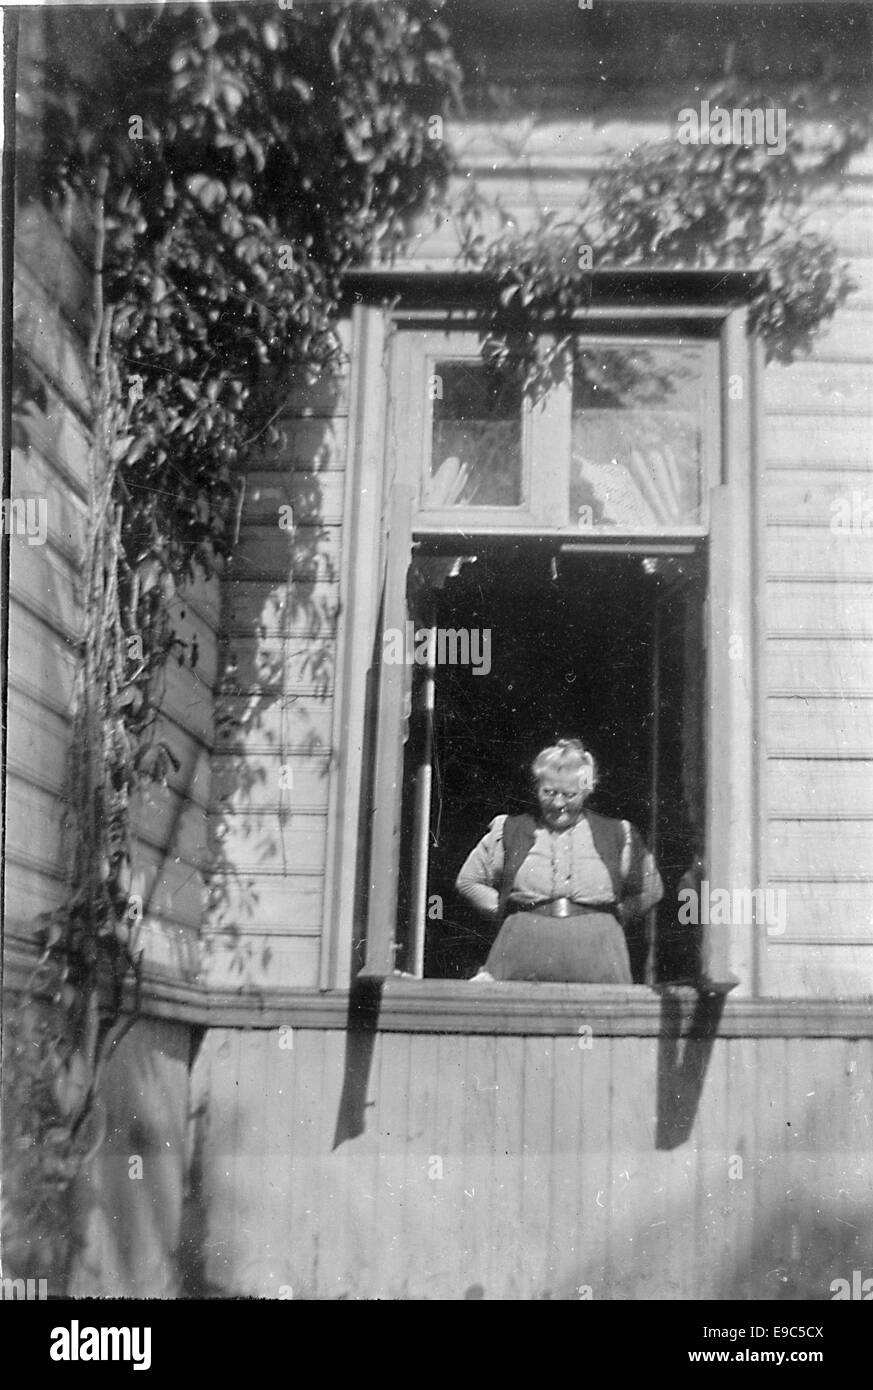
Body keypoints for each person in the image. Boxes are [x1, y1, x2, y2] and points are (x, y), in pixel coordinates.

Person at [455, 738, 663, 983]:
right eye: (549, 792)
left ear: (586, 790)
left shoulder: (618, 833)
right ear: (537, 787)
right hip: (521, 950)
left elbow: (651, 889)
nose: (558, 803)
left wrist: (613, 916)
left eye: (569, 794)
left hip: (600, 953)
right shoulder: (510, 829)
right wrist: (506, 908)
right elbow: (468, 880)